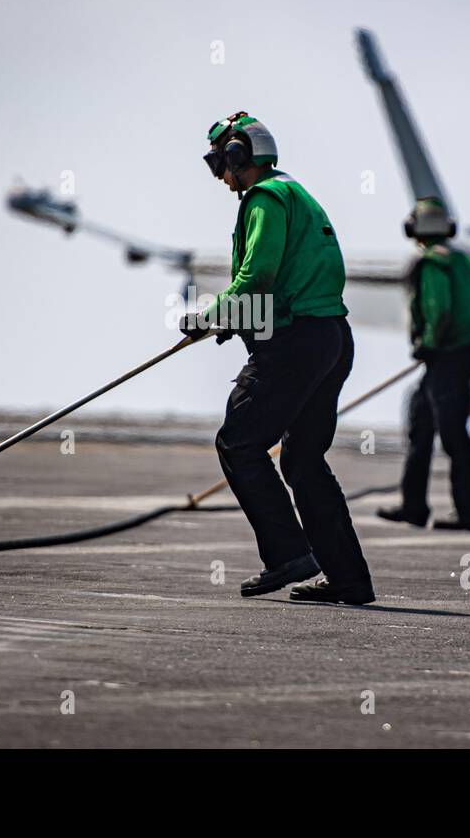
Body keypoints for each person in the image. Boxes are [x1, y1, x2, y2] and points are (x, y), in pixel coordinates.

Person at [180, 111, 374, 605]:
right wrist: (240, 321)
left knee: (239, 443)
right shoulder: (297, 195)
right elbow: (294, 279)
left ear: (239, 155)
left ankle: (288, 554)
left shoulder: (264, 198)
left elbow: (257, 276)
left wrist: (209, 315)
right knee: (305, 461)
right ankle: (348, 579)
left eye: (219, 162)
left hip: (295, 346)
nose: (220, 175)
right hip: (330, 339)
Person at [377, 198, 470, 531]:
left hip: (444, 358)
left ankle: (469, 513)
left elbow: (438, 309)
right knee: (420, 421)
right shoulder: (463, 262)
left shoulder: (431, 264)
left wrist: (429, 344)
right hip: (458, 356)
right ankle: (413, 507)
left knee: (454, 434)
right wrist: (465, 339)